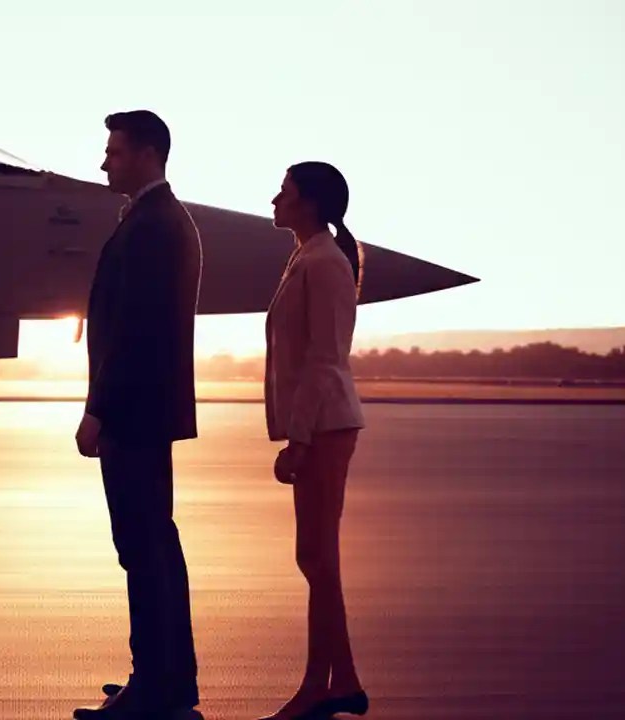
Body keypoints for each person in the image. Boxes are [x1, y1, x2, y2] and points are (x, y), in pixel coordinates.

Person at [73, 110, 204, 719]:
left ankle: (155, 689)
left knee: (144, 550)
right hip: (144, 413)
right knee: (153, 547)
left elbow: (136, 332)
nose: (105, 162)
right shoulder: (155, 219)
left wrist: (99, 410)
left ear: (149, 154)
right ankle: (163, 680)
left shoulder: (153, 225)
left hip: (134, 416)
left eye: (115, 152)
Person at [259, 161, 369, 719]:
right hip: (320, 425)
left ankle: (318, 688)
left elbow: (326, 360)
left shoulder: (323, 263)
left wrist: (299, 440)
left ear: (309, 204)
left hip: (326, 426)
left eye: (286, 192)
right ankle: (340, 681)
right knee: (316, 558)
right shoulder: (308, 256)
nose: (275, 199)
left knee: (318, 558)